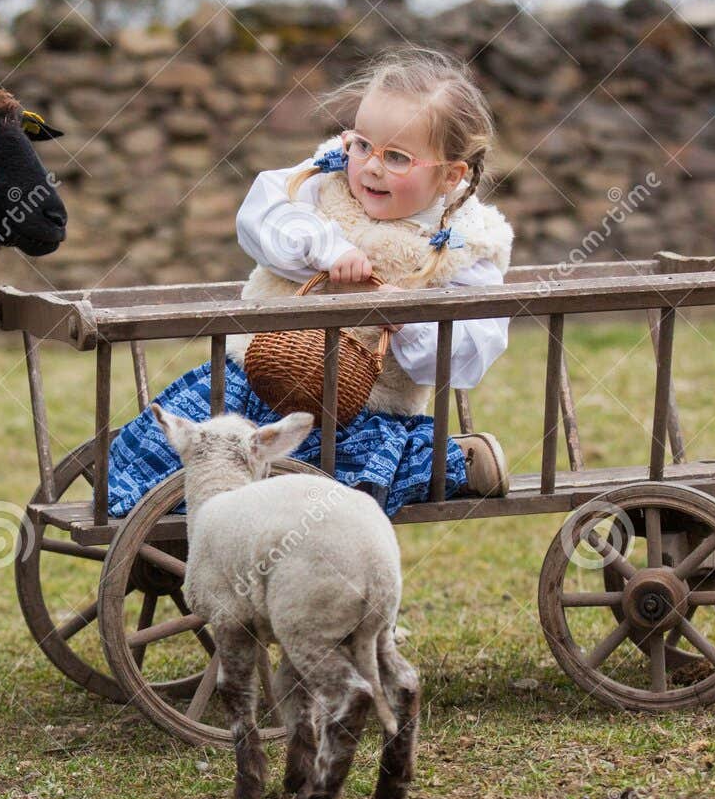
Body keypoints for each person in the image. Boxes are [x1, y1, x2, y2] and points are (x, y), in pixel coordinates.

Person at [107, 45, 515, 518]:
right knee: (177, 453)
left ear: (450, 175)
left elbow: (471, 348)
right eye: (362, 144)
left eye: (398, 157)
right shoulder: (321, 183)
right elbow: (262, 218)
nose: (373, 166)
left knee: (344, 485)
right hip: (252, 381)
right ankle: (178, 521)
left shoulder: (465, 244)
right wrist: (328, 249)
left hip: (358, 412)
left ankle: (455, 460)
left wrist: (406, 318)